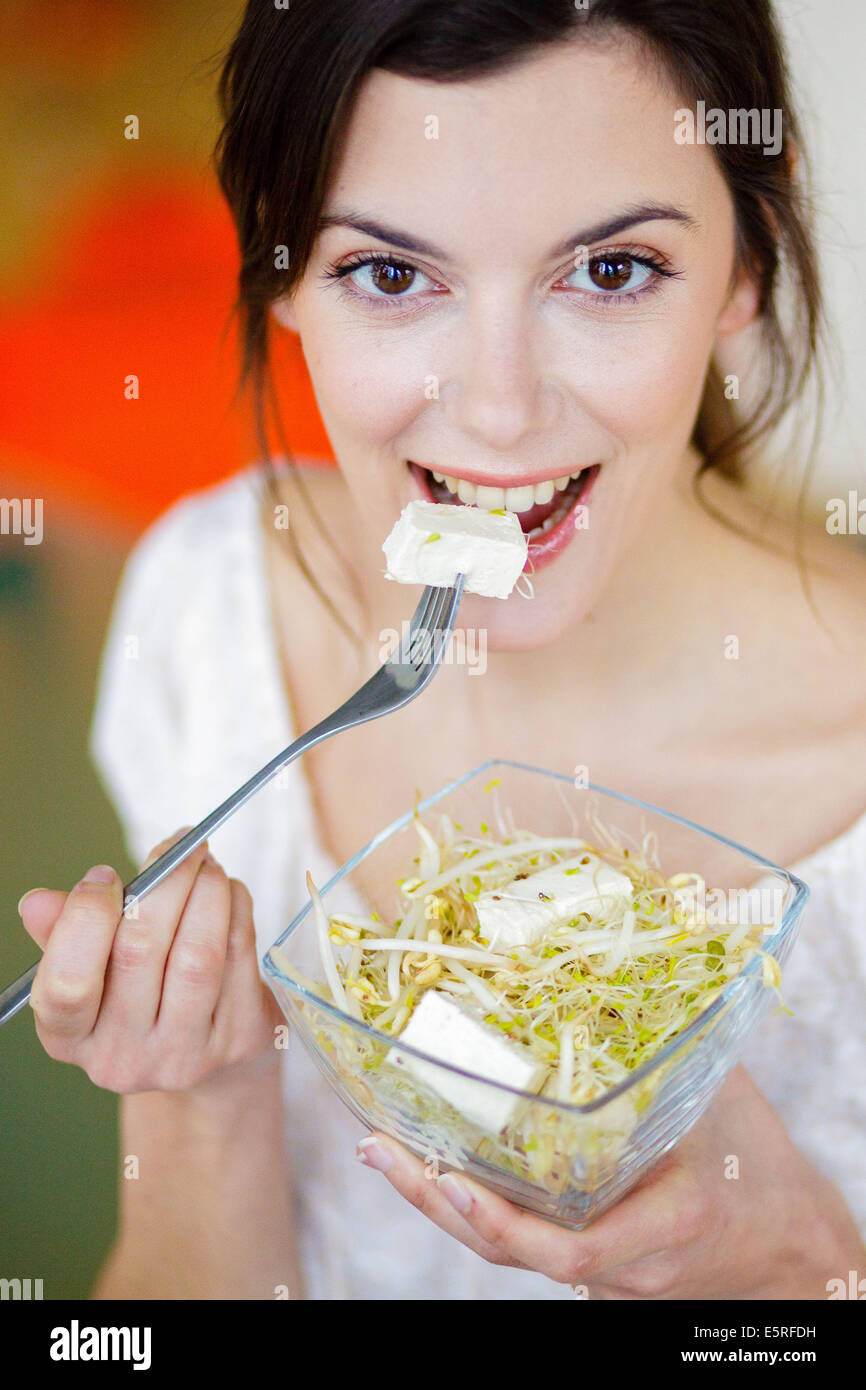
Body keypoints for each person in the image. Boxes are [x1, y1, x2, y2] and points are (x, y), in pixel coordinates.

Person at [17, 0, 866, 1299]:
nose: (498, 405)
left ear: (746, 263)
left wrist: (802, 1272)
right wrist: (202, 1097)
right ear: (282, 272)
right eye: (393, 274)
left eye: (610, 269)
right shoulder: (216, 603)